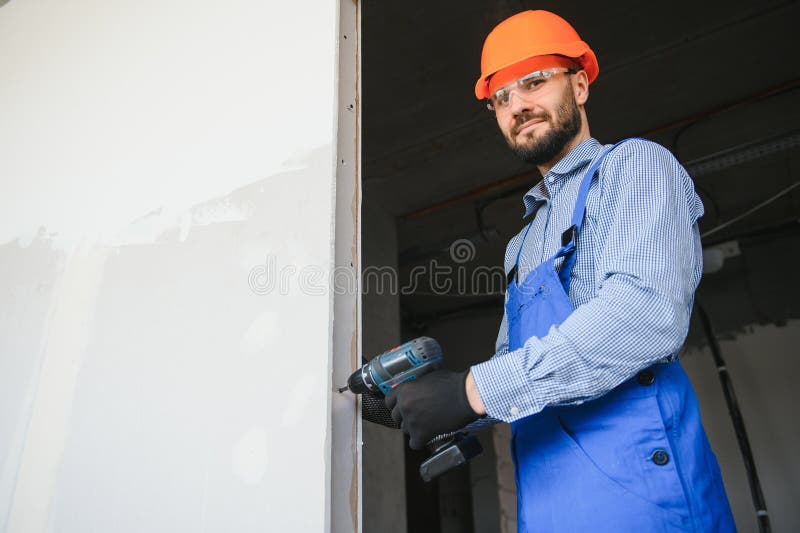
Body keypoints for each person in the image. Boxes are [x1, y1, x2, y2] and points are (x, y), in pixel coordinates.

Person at [385, 10, 736, 532]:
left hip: (640, 502)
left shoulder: (633, 167)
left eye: (534, 82)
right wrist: (437, 409)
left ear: (579, 84)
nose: (517, 106)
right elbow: (518, 375)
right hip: (548, 507)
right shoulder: (521, 245)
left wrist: (470, 391)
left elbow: (643, 313)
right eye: (501, 97)